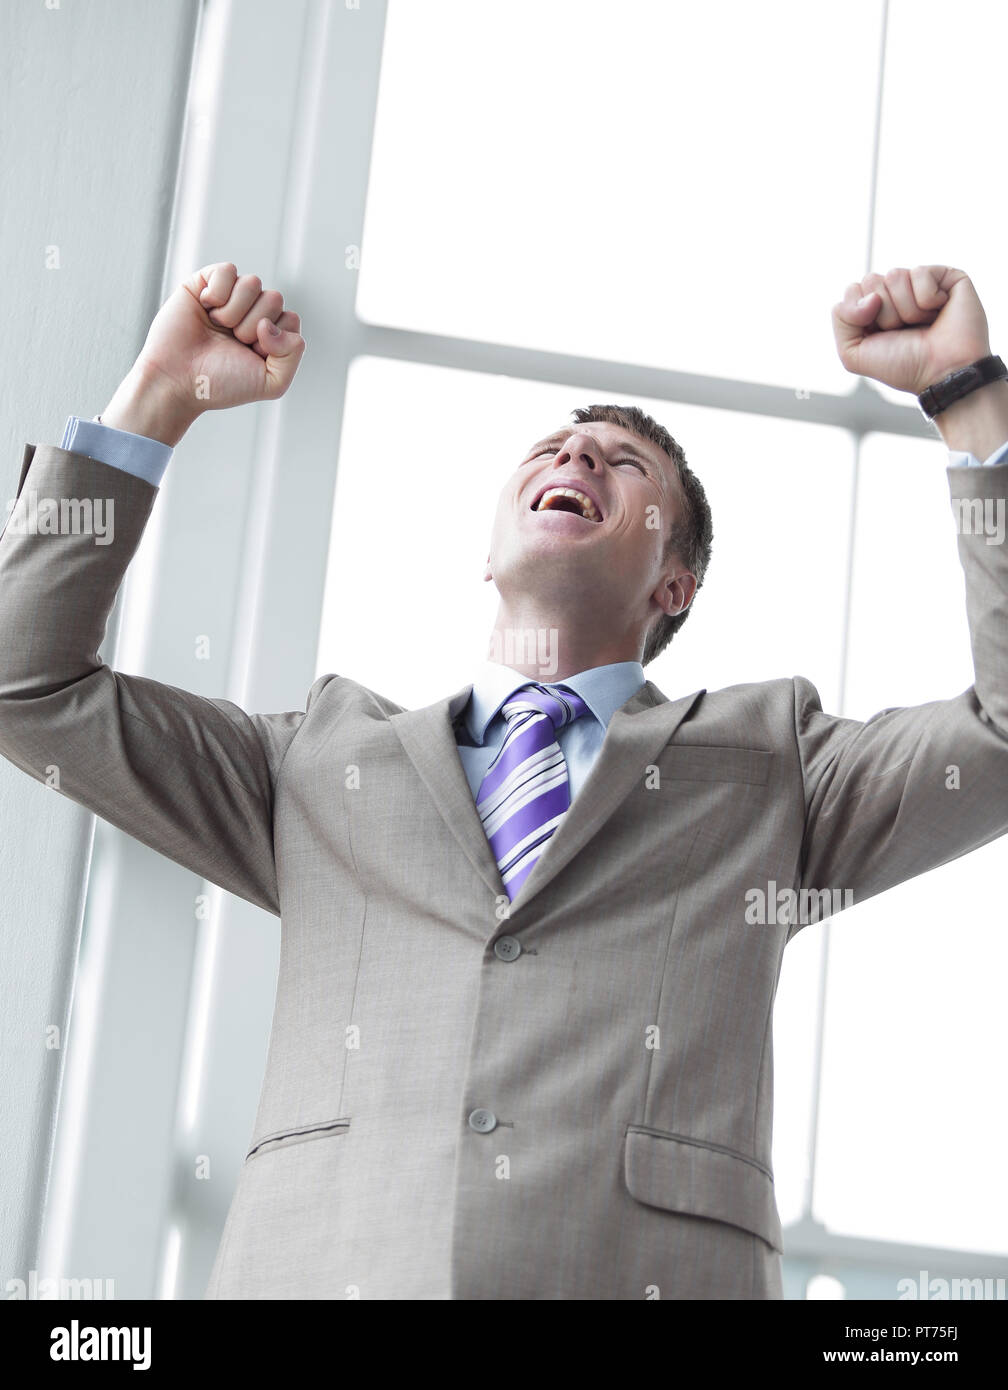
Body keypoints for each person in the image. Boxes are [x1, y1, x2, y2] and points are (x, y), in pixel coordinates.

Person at [1, 262, 1006, 1300]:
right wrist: (161, 397)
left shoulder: (774, 765)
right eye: (555, 448)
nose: (577, 453)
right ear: (488, 553)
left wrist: (969, 399)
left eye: (625, 464)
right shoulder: (317, 766)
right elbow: (24, 684)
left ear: (675, 582)